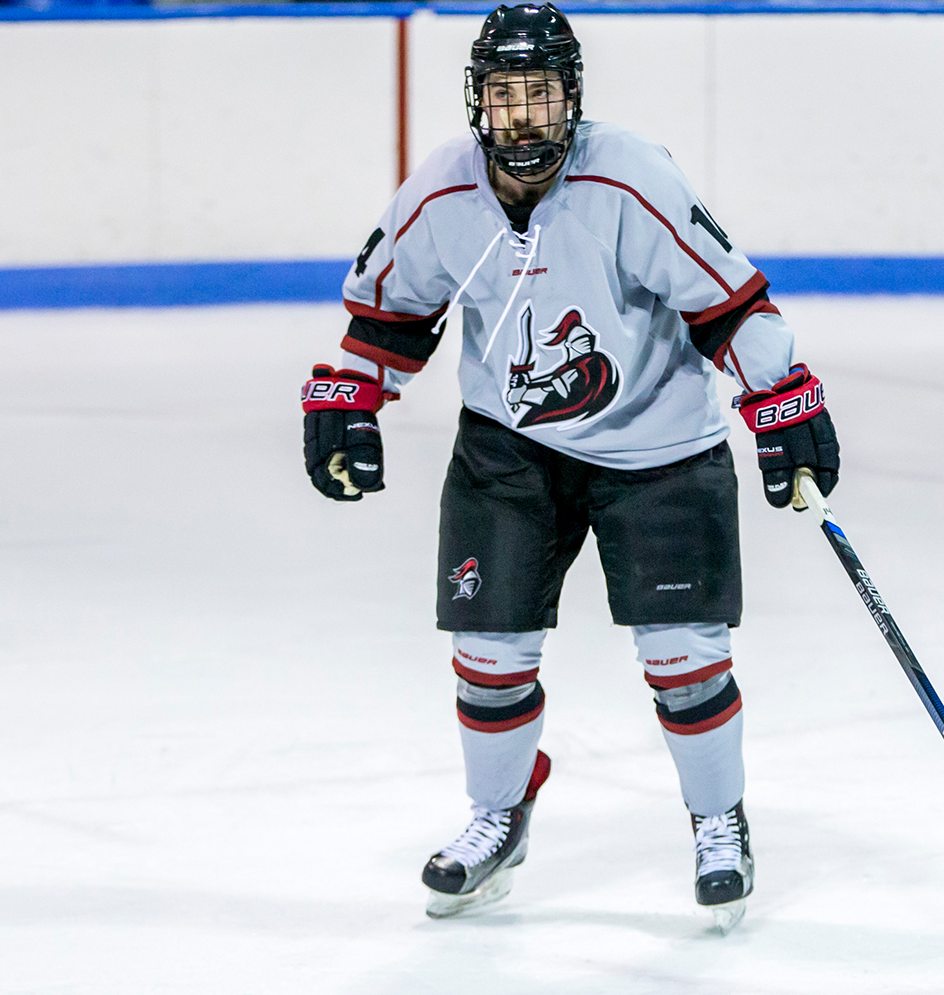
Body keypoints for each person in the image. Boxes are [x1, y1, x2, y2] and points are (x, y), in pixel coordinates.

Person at [300, 3, 840, 930]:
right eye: (504, 97)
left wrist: (782, 400)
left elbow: (730, 306)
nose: (521, 119)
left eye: (539, 96)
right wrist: (346, 398)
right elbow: (384, 321)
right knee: (489, 656)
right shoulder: (442, 196)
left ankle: (719, 820)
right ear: (479, 103)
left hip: (658, 448)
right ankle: (498, 817)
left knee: (684, 658)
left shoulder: (630, 180)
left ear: (572, 100)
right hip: (510, 450)